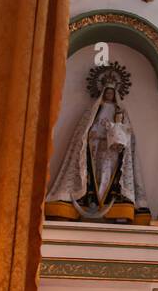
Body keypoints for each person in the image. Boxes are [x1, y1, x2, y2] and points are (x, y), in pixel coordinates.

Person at [45, 65, 150, 223]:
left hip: (111, 150)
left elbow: (125, 133)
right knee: (92, 174)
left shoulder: (119, 110)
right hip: (94, 148)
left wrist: (116, 133)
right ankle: (88, 204)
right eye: (107, 92)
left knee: (109, 175)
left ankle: (113, 207)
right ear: (103, 92)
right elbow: (85, 130)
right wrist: (90, 136)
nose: (109, 94)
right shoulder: (94, 109)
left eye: (111, 92)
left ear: (115, 94)